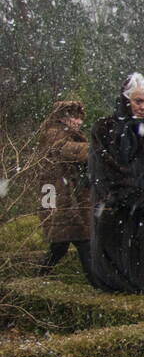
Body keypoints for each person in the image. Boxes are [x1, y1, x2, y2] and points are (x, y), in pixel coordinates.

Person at [88, 73, 144, 295]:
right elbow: (104, 173)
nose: (143, 107)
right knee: (119, 278)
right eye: (138, 101)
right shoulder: (104, 129)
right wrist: (136, 198)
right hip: (116, 214)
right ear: (126, 100)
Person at [36, 100, 94, 281]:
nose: (78, 122)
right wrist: (97, 148)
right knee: (83, 242)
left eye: (80, 118)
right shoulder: (54, 133)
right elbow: (70, 151)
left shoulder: (68, 134)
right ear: (63, 117)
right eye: (74, 117)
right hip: (61, 200)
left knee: (60, 246)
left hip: (66, 199)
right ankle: (97, 284)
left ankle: (38, 277)